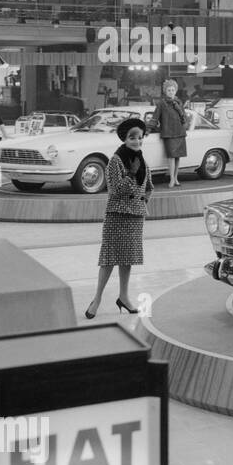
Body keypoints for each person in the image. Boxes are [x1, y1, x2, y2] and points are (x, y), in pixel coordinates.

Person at [85, 117, 153, 319]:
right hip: (117, 215)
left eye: (140, 137)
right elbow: (114, 190)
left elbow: (149, 186)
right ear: (125, 138)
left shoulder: (142, 159)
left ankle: (124, 296)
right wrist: (130, 176)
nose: (137, 141)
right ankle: (96, 299)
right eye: (132, 137)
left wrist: (142, 202)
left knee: (128, 258)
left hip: (135, 215)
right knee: (109, 259)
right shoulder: (115, 160)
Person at [152, 78, 188, 187]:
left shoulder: (179, 102)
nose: (171, 92)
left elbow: (184, 117)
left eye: (173, 90)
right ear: (165, 91)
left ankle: (176, 178)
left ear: (175, 91)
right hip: (168, 133)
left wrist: (182, 115)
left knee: (178, 157)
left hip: (180, 133)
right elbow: (155, 118)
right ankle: (171, 179)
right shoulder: (161, 104)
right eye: (169, 90)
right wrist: (148, 128)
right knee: (171, 156)